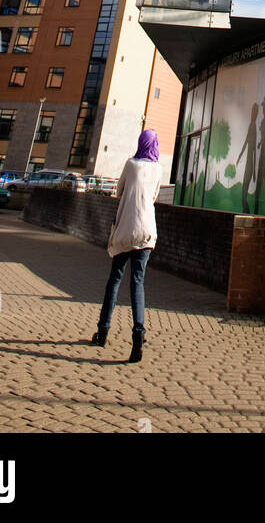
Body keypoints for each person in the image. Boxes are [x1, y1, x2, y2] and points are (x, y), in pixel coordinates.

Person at [91, 129, 162, 363]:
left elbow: (118, 191)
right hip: (147, 232)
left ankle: (103, 331)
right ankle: (138, 334)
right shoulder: (158, 168)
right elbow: (153, 197)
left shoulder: (131, 164)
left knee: (115, 279)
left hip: (126, 231)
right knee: (137, 283)